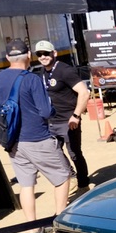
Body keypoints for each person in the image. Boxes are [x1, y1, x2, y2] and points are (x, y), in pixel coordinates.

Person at [0, 39, 72, 233]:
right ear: (28, 56)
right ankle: (60, 220)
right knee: (62, 177)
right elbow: (45, 110)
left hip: (13, 142)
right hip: (38, 138)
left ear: (8, 58)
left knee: (27, 185)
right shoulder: (32, 79)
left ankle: (32, 229)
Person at [35, 40, 90, 192]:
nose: (43, 57)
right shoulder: (42, 72)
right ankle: (71, 176)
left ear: (54, 53)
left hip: (68, 120)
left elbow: (84, 93)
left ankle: (83, 184)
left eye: (46, 53)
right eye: (39, 54)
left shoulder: (65, 70)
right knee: (53, 151)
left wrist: (76, 116)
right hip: (50, 121)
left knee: (74, 153)